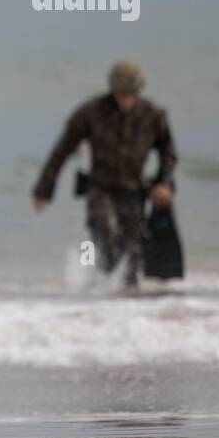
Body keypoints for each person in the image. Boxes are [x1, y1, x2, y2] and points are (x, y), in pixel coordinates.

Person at [32, 62, 177, 288]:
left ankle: (129, 306)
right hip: (100, 189)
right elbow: (61, 151)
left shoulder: (153, 116)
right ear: (113, 90)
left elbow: (168, 153)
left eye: (131, 95)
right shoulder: (91, 113)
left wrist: (163, 182)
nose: (126, 100)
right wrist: (44, 190)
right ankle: (99, 293)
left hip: (134, 191)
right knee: (104, 232)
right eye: (121, 95)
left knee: (133, 252)